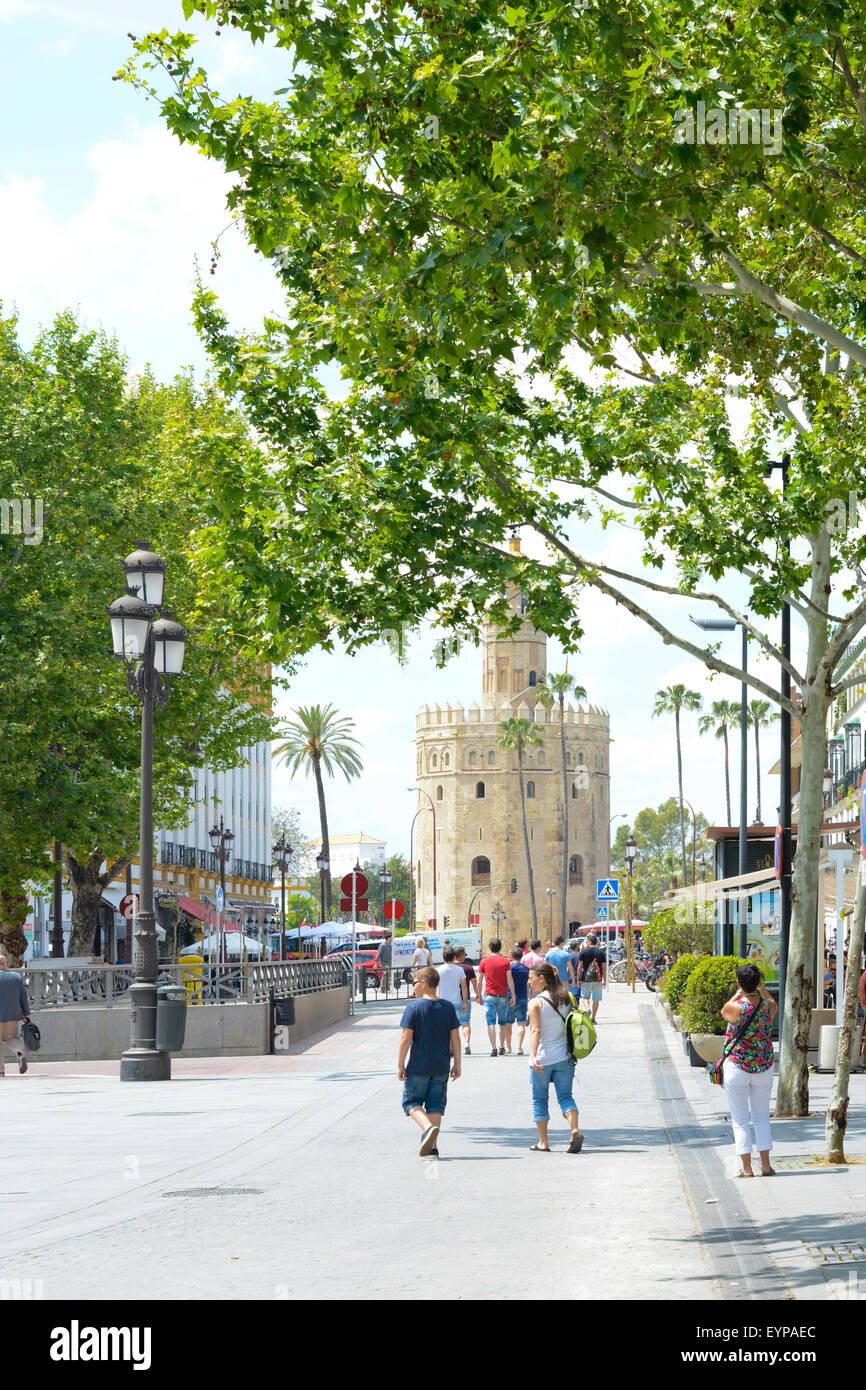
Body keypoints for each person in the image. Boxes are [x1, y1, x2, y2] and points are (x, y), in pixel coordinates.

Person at [720, 963, 777, 1178]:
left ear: (738, 983)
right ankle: (765, 1165)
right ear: (759, 982)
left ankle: (746, 1168)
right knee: (762, 1117)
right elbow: (771, 1002)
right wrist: (760, 989)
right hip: (763, 1066)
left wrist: (738, 993)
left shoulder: (736, 1008)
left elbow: (725, 1009)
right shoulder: (767, 1007)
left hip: (737, 1066)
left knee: (740, 1119)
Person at [397, 967, 461, 1157]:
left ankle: (427, 1128)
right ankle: (432, 1146)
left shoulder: (413, 1008)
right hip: (441, 1066)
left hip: (418, 1067)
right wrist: (457, 1063)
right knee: (435, 1105)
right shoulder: (448, 1007)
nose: (413, 987)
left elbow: (405, 1038)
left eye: (414, 983)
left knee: (410, 1101)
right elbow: (455, 1037)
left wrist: (400, 1064)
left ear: (424, 983)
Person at [526, 962, 583, 1152]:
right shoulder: (567, 997)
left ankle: (543, 1142)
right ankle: (574, 1129)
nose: (529, 982)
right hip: (565, 1057)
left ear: (542, 978)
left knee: (539, 1099)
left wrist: (533, 1056)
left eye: (531, 978)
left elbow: (536, 1030)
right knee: (566, 1097)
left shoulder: (536, 1002)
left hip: (542, 1058)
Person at [477, 939, 515, 1056]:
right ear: (500, 947)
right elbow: (509, 979)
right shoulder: (505, 961)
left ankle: (493, 1049)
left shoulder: (484, 961)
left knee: (491, 1022)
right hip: (503, 995)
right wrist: (513, 994)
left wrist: (479, 995)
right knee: (502, 1022)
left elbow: (479, 980)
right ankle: (501, 1047)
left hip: (489, 995)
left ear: (489, 947)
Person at [0, 955, 31, 1077]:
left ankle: (0, 1070)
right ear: (5, 963)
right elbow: (23, 997)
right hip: (13, 1014)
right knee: (11, 1038)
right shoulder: (16, 977)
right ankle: (19, 1052)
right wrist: (26, 1014)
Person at [576, 932, 607, 1023]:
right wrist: (604, 980)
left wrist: (578, 979)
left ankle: (587, 1009)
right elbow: (604, 968)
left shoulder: (583, 952)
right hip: (597, 979)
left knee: (585, 997)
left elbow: (579, 967)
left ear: (589, 942)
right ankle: (593, 1018)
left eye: (587, 941)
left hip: (586, 979)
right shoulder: (601, 953)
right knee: (596, 999)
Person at [505, 946, 531, 1055]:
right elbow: (530, 984)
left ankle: (508, 1047)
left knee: (508, 1023)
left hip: (510, 997)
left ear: (511, 956)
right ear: (522, 956)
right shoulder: (526, 969)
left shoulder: (508, 968)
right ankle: (519, 1048)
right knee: (521, 1024)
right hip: (523, 997)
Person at [453, 946, 476, 1053]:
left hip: (451, 999)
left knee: (452, 1026)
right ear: (462, 955)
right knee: (465, 1023)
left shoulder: (450, 967)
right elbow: (474, 983)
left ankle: (452, 1047)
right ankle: (467, 1043)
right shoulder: (468, 968)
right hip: (464, 999)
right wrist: (478, 995)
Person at [437, 946, 469, 1017]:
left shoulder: (437, 970)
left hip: (441, 1001)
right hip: (456, 1001)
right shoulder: (460, 969)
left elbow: (434, 987)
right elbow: (464, 987)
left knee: (443, 1026)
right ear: (454, 957)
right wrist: (465, 1003)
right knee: (455, 1026)